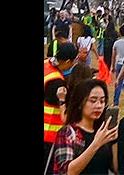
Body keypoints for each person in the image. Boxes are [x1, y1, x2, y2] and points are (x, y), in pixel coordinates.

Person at [51, 77, 118, 175]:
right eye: (93, 101)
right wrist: (96, 144)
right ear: (79, 104)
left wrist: (114, 141)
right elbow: (66, 172)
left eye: (102, 101)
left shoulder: (102, 132)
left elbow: (116, 169)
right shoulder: (68, 132)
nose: (99, 106)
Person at [45, 42, 80, 171]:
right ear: (66, 61)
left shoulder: (46, 65)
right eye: (73, 61)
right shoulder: (57, 82)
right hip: (49, 134)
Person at [110, 25, 124, 107]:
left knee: (117, 82)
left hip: (119, 63)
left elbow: (113, 55)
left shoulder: (116, 42)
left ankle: (116, 101)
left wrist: (112, 66)